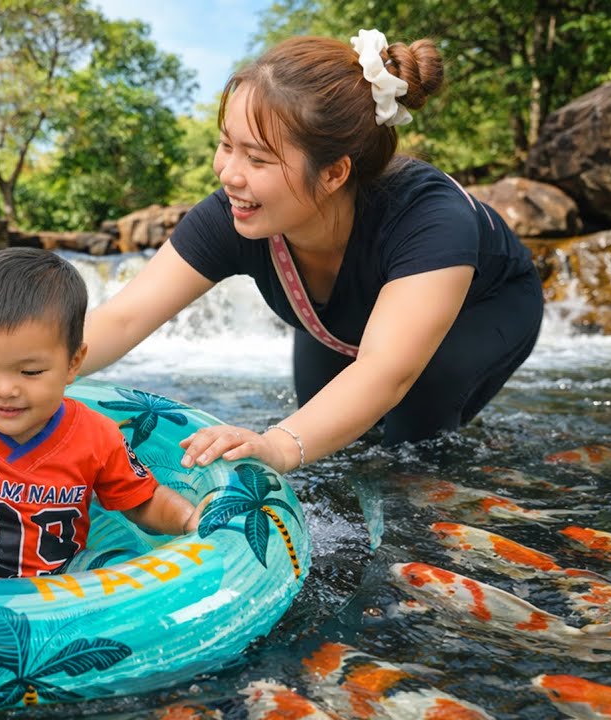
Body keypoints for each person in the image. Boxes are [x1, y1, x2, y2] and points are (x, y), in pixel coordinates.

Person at [82, 31, 543, 474]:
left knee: (409, 449)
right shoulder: (235, 214)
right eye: (226, 146)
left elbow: (385, 372)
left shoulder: (430, 219)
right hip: (337, 326)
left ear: (333, 174)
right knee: (329, 445)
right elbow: (123, 318)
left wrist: (279, 444)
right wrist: (27, 372)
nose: (228, 174)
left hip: (483, 309)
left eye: (257, 159)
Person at [0, 247, 200, 578]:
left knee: (120, 561)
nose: (5, 389)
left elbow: (143, 501)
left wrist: (190, 519)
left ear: (74, 362)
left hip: (62, 586)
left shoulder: (97, 435)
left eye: (30, 372)